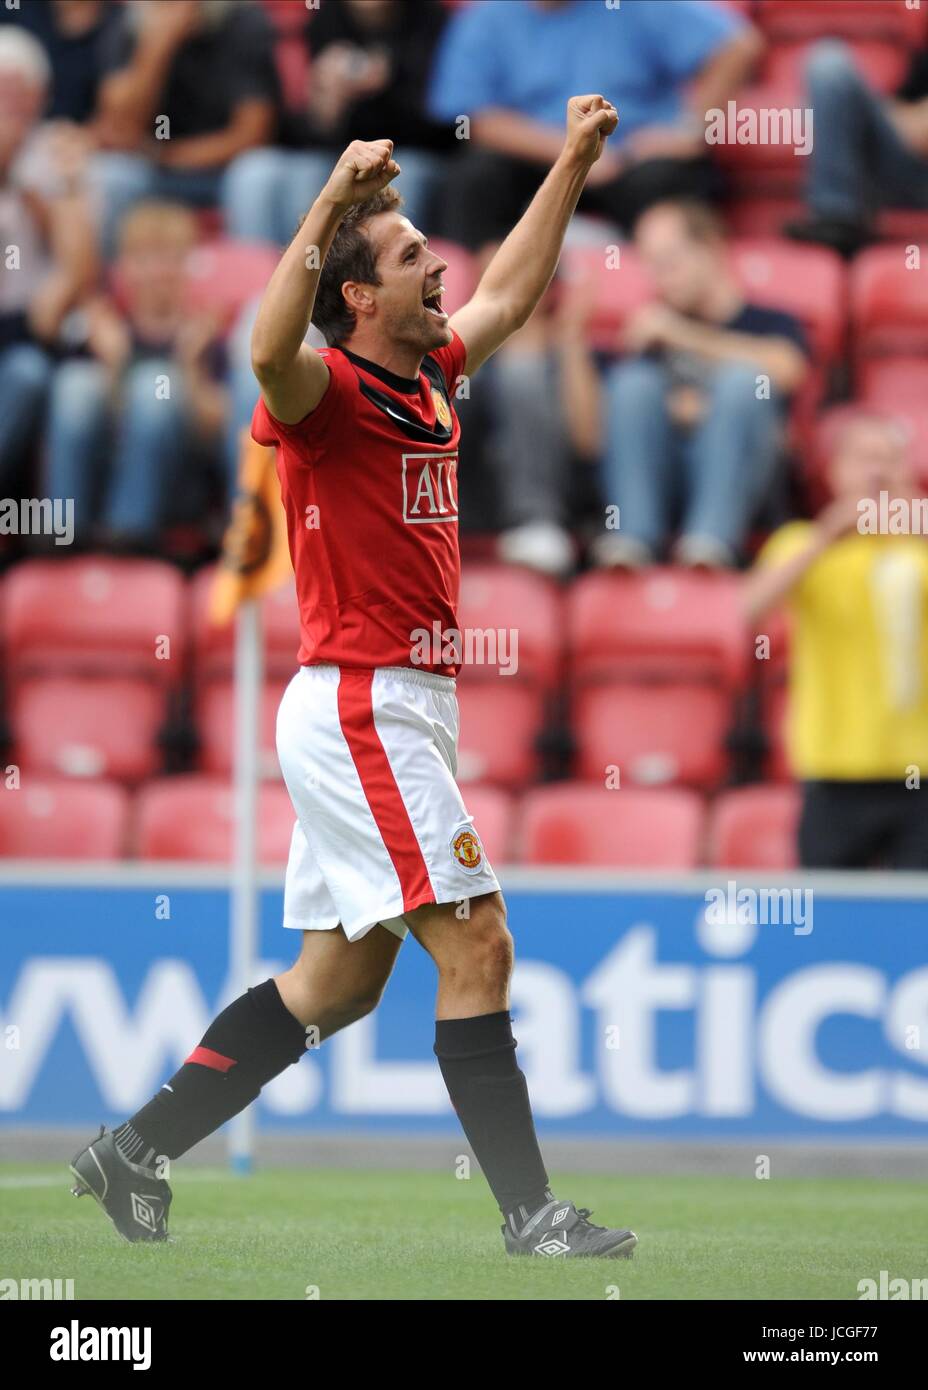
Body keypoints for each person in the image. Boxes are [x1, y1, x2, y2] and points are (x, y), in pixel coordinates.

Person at [70, 96, 642, 1261]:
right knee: (479, 945)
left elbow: (514, 293)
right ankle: (530, 1215)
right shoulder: (322, 396)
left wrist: (575, 161)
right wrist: (330, 197)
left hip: (388, 706)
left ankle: (130, 1150)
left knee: (333, 986)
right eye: (410, 256)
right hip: (363, 700)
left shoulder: (428, 374)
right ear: (359, 300)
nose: (439, 263)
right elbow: (264, 350)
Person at [428, 0, 762, 253]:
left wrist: (687, 129)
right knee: (474, 178)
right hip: (540, 160)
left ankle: (657, 301)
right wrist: (577, 152)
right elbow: (474, 117)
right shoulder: (486, 18)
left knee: (670, 178)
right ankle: (495, 308)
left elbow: (737, 45)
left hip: (631, 159)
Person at [745, 413, 928, 869]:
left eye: (889, 460)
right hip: (834, 767)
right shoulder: (801, 541)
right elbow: (749, 607)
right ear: (835, 472)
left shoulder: (918, 547)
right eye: (865, 459)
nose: (878, 472)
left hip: (920, 769)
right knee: (830, 921)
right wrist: (827, 537)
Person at [594, 200, 808, 569]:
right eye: (652, 265)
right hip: (666, 476)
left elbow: (787, 369)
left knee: (743, 382)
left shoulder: (769, 321)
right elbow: (599, 430)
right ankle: (633, 539)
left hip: (745, 489)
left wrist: (682, 336)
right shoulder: (649, 337)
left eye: (670, 261)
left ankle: (710, 540)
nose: (661, 277)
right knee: (632, 384)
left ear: (710, 248)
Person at [44, 201, 228, 551]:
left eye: (170, 258)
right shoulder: (102, 333)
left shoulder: (202, 337)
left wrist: (189, 368)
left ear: (188, 265)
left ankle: (127, 531)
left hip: (177, 488)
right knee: (75, 383)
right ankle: (60, 530)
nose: (158, 272)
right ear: (123, 268)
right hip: (105, 476)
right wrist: (116, 363)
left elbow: (219, 436)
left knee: (153, 386)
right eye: (145, 259)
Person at [224, 0, 456, 244]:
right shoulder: (326, 19)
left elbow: (447, 127)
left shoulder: (434, 22)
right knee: (254, 172)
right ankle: (274, 279)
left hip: (411, 153)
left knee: (398, 175)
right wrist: (326, 108)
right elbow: (301, 131)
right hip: (336, 152)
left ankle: (374, 277)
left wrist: (388, 87)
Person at [90, 0, 279, 254]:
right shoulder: (129, 24)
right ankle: (113, 290)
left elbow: (252, 136)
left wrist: (167, 156)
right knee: (111, 176)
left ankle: (256, 286)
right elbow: (117, 126)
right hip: (155, 171)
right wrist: (157, 45)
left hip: (223, 172)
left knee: (254, 174)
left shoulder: (242, 21)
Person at [0, 27, 96, 496]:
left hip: (27, 333)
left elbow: (78, 268)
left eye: (20, 91)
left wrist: (19, 176)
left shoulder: (54, 154)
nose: (10, 104)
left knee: (28, 374)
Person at [785, 40, 928, 258]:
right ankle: (837, 219)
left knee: (830, 66)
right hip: (903, 163)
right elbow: (910, 120)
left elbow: (920, 134)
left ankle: (839, 218)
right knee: (828, 65)